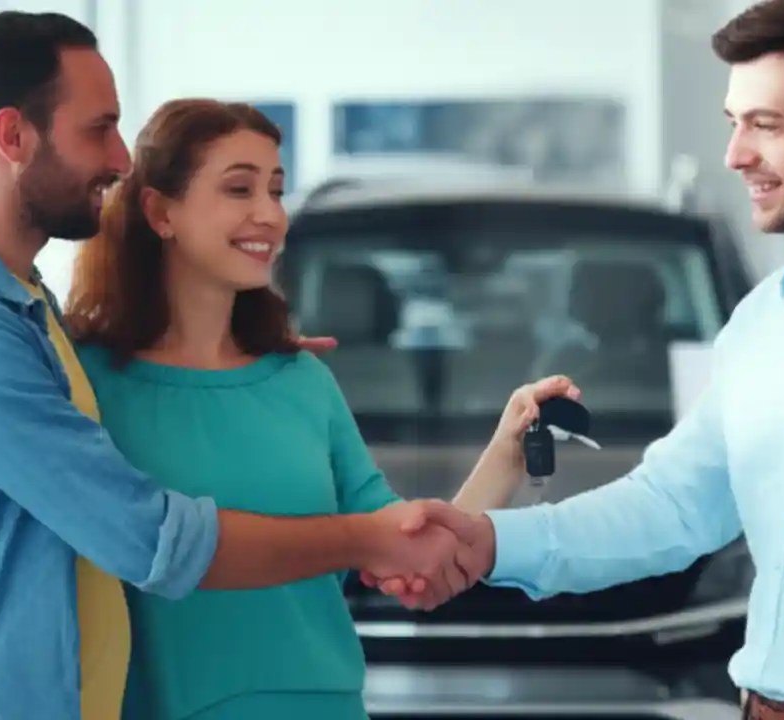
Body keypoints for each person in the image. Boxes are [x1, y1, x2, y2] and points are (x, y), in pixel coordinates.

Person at [375, 1, 784, 717]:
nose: (736, 155)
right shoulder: (762, 324)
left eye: (766, 124)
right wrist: (488, 540)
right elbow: (670, 507)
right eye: (734, 123)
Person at [0, 12, 484, 720]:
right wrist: (364, 536)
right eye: (98, 128)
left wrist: (244, 379)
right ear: (12, 137)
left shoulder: (24, 311)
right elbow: (152, 539)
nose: (120, 158)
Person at [61, 97, 578, 719]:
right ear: (160, 211)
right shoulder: (87, 385)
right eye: (239, 189)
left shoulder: (302, 382)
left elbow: (407, 550)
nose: (269, 216)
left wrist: (508, 448)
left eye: (276, 191)